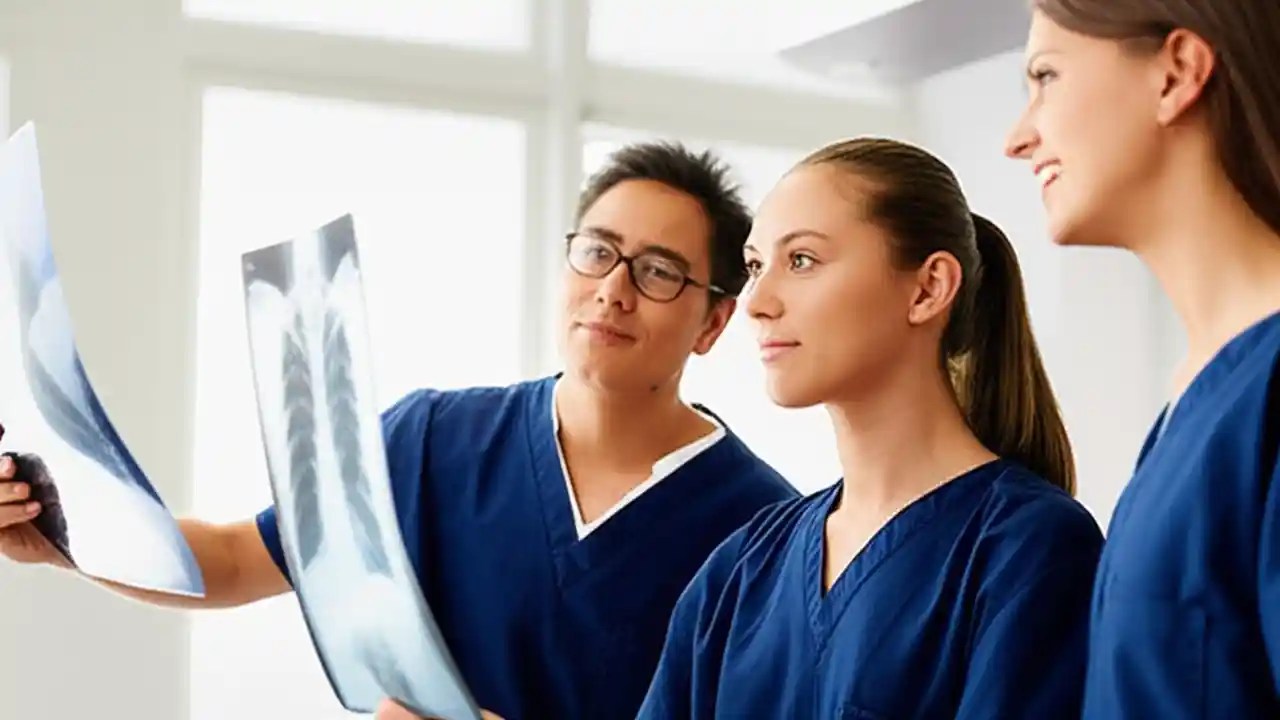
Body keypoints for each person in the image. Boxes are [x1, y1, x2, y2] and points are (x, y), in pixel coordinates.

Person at [0, 141, 798, 720]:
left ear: (714, 320)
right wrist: (63, 537)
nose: (614, 290)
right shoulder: (433, 439)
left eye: (658, 271)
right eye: (597, 253)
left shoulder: (769, 531)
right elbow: (239, 559)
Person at [636, 137, 1105, 719]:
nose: (756, 301)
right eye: (756, 267)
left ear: (929, 287)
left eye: (801, 260)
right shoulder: (740, 572)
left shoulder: (1028, 551)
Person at [1004, 2, 1280, 717]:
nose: (1017, 137)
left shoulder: (1262, 394)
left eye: (1046, 76)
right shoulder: (1195, 407)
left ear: (1176, 73)